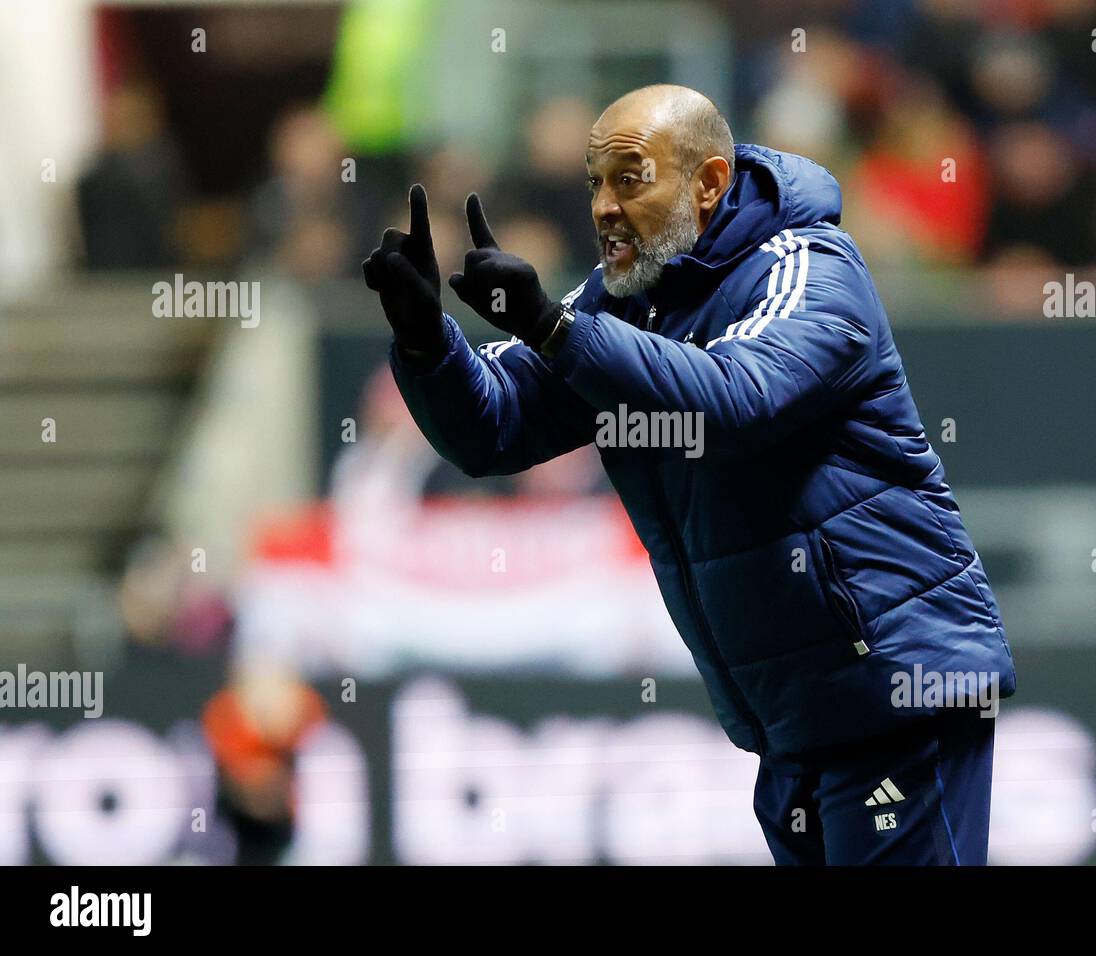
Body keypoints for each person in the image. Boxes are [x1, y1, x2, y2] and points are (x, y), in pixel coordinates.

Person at [362, 84, 1016, 865]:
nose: (604, 206)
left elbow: (735, 400)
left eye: (630, 178)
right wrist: (426, 339)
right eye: (594, 184)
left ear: (707, 182)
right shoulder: (625, 305)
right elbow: (492, 430)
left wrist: (549, 324)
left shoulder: (811, 266)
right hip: (796, 719)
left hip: (895, 696)